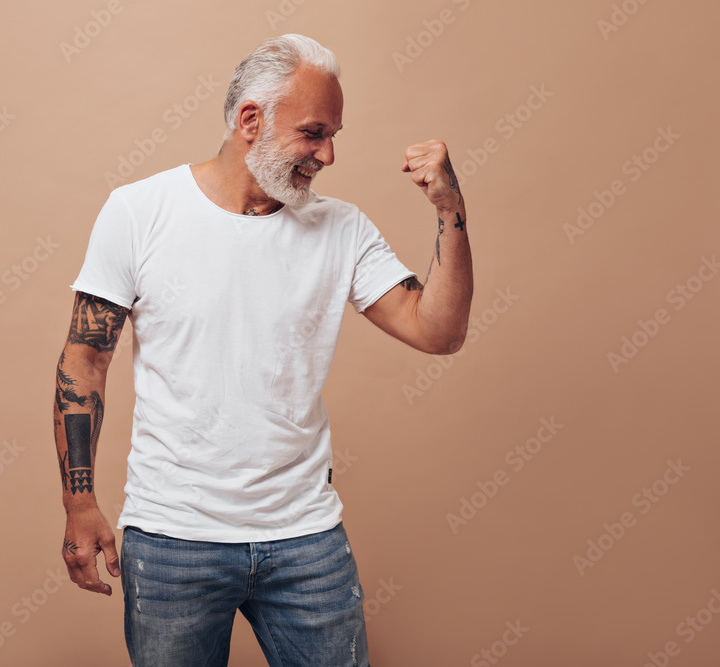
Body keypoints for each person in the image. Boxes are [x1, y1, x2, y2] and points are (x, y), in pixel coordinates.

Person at [54, 33, 473, 667]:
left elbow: (438, 332)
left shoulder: (342, 227)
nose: (328, 154)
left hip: (306, 539)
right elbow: (84, 361)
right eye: (314, 132)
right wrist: (79, 503)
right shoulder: (139, 212)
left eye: (333, 135)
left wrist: (449, 207)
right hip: (174, 539)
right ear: (251, 120)